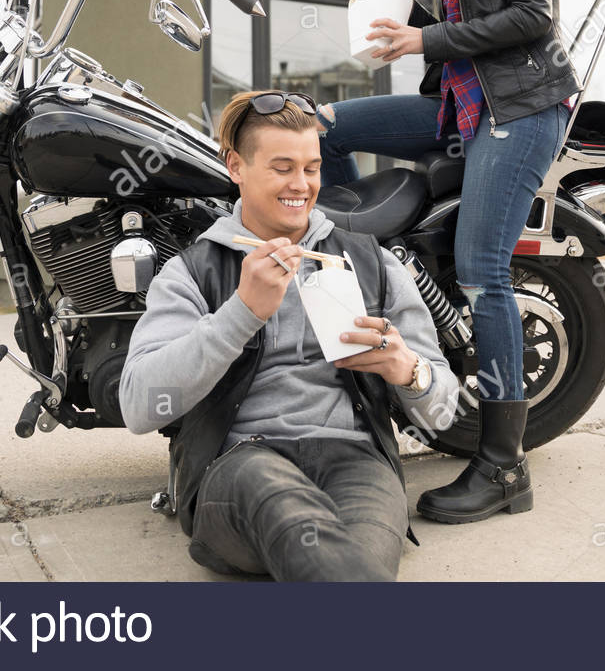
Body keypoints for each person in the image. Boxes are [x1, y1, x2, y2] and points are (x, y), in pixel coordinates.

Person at [315, 0, 581, 524]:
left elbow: (532, 17)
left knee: (481, 271)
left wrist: (422, 35)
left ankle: (503, 468)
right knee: (323, 124)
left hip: (522, 109)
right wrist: (409, 11)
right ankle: (350, 263)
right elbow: (468, 30)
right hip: (466, 105)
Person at [119, 90, 460, 581]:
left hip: (356, 462)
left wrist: (410, 371)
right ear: (236, 166)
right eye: (282, 168)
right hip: (243, 464)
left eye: (312, 168)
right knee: (292, 513)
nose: (301, 186)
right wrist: (242, 312)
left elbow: (446, 412)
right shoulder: (192, 272)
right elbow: (139, 406)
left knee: (352, 560)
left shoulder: (373, 264)